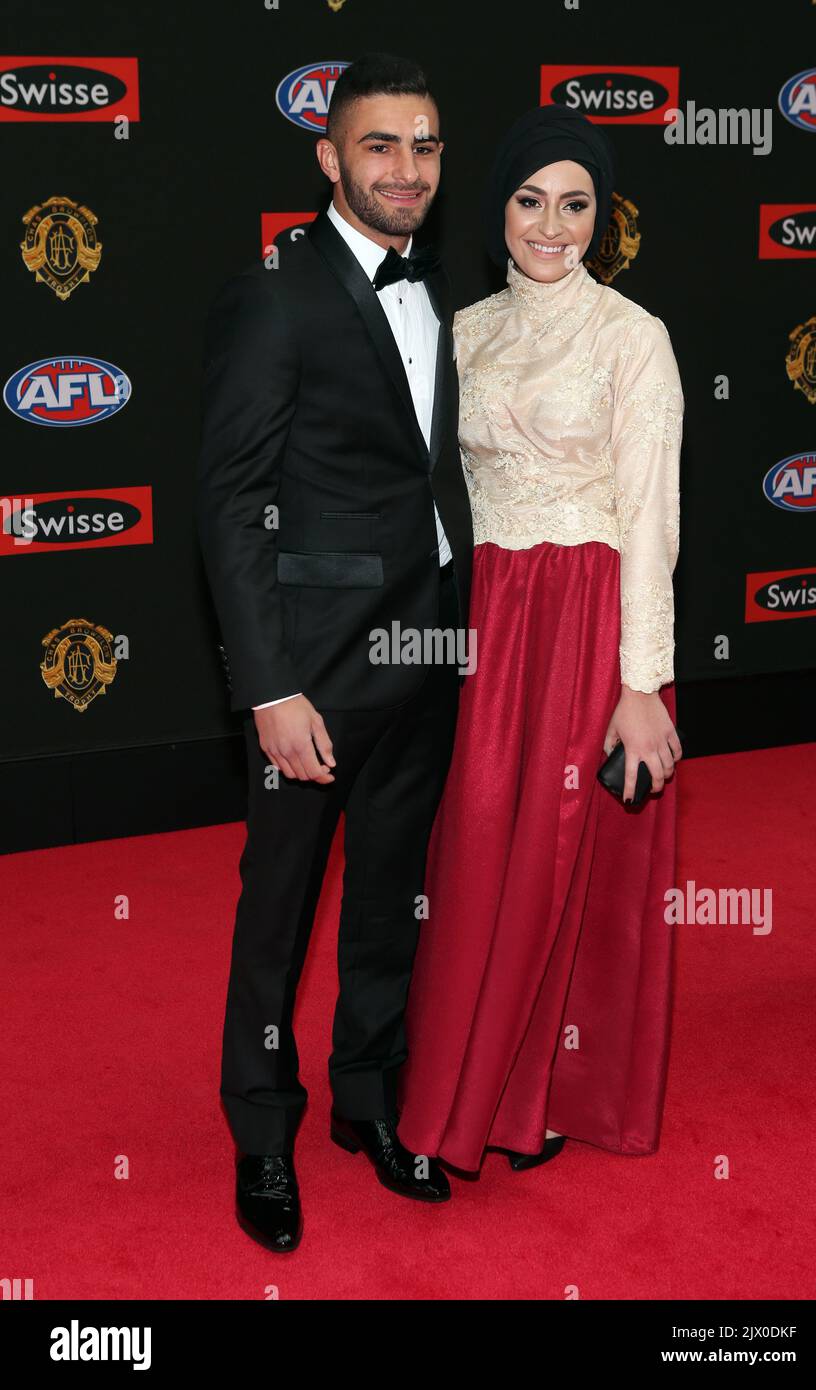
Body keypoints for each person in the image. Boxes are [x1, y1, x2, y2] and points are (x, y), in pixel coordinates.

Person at [196, 52, 473, 1252]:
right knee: (280, 907)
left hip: (431, 645)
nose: (406, 168)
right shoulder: (277, 293)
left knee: (392, 895)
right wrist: (269, 686)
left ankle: (370, 1097)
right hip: (314, 669)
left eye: (424, 144)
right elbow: (230, 501)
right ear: (328, 157)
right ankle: (262, 1131)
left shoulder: (445, 286)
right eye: (379, 144)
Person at [397, 106, 684, 1174]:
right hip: (485, 619)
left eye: (576, 205)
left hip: (583, 619)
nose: (552, 227)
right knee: (475, 847)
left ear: (602, 218)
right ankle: (461, 1083)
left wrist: (642, 684)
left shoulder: (632, 335)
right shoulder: (464, 330)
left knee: (559, 858)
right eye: (531, 201)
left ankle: (535, 1093)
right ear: (499, 209)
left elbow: (651, 517)